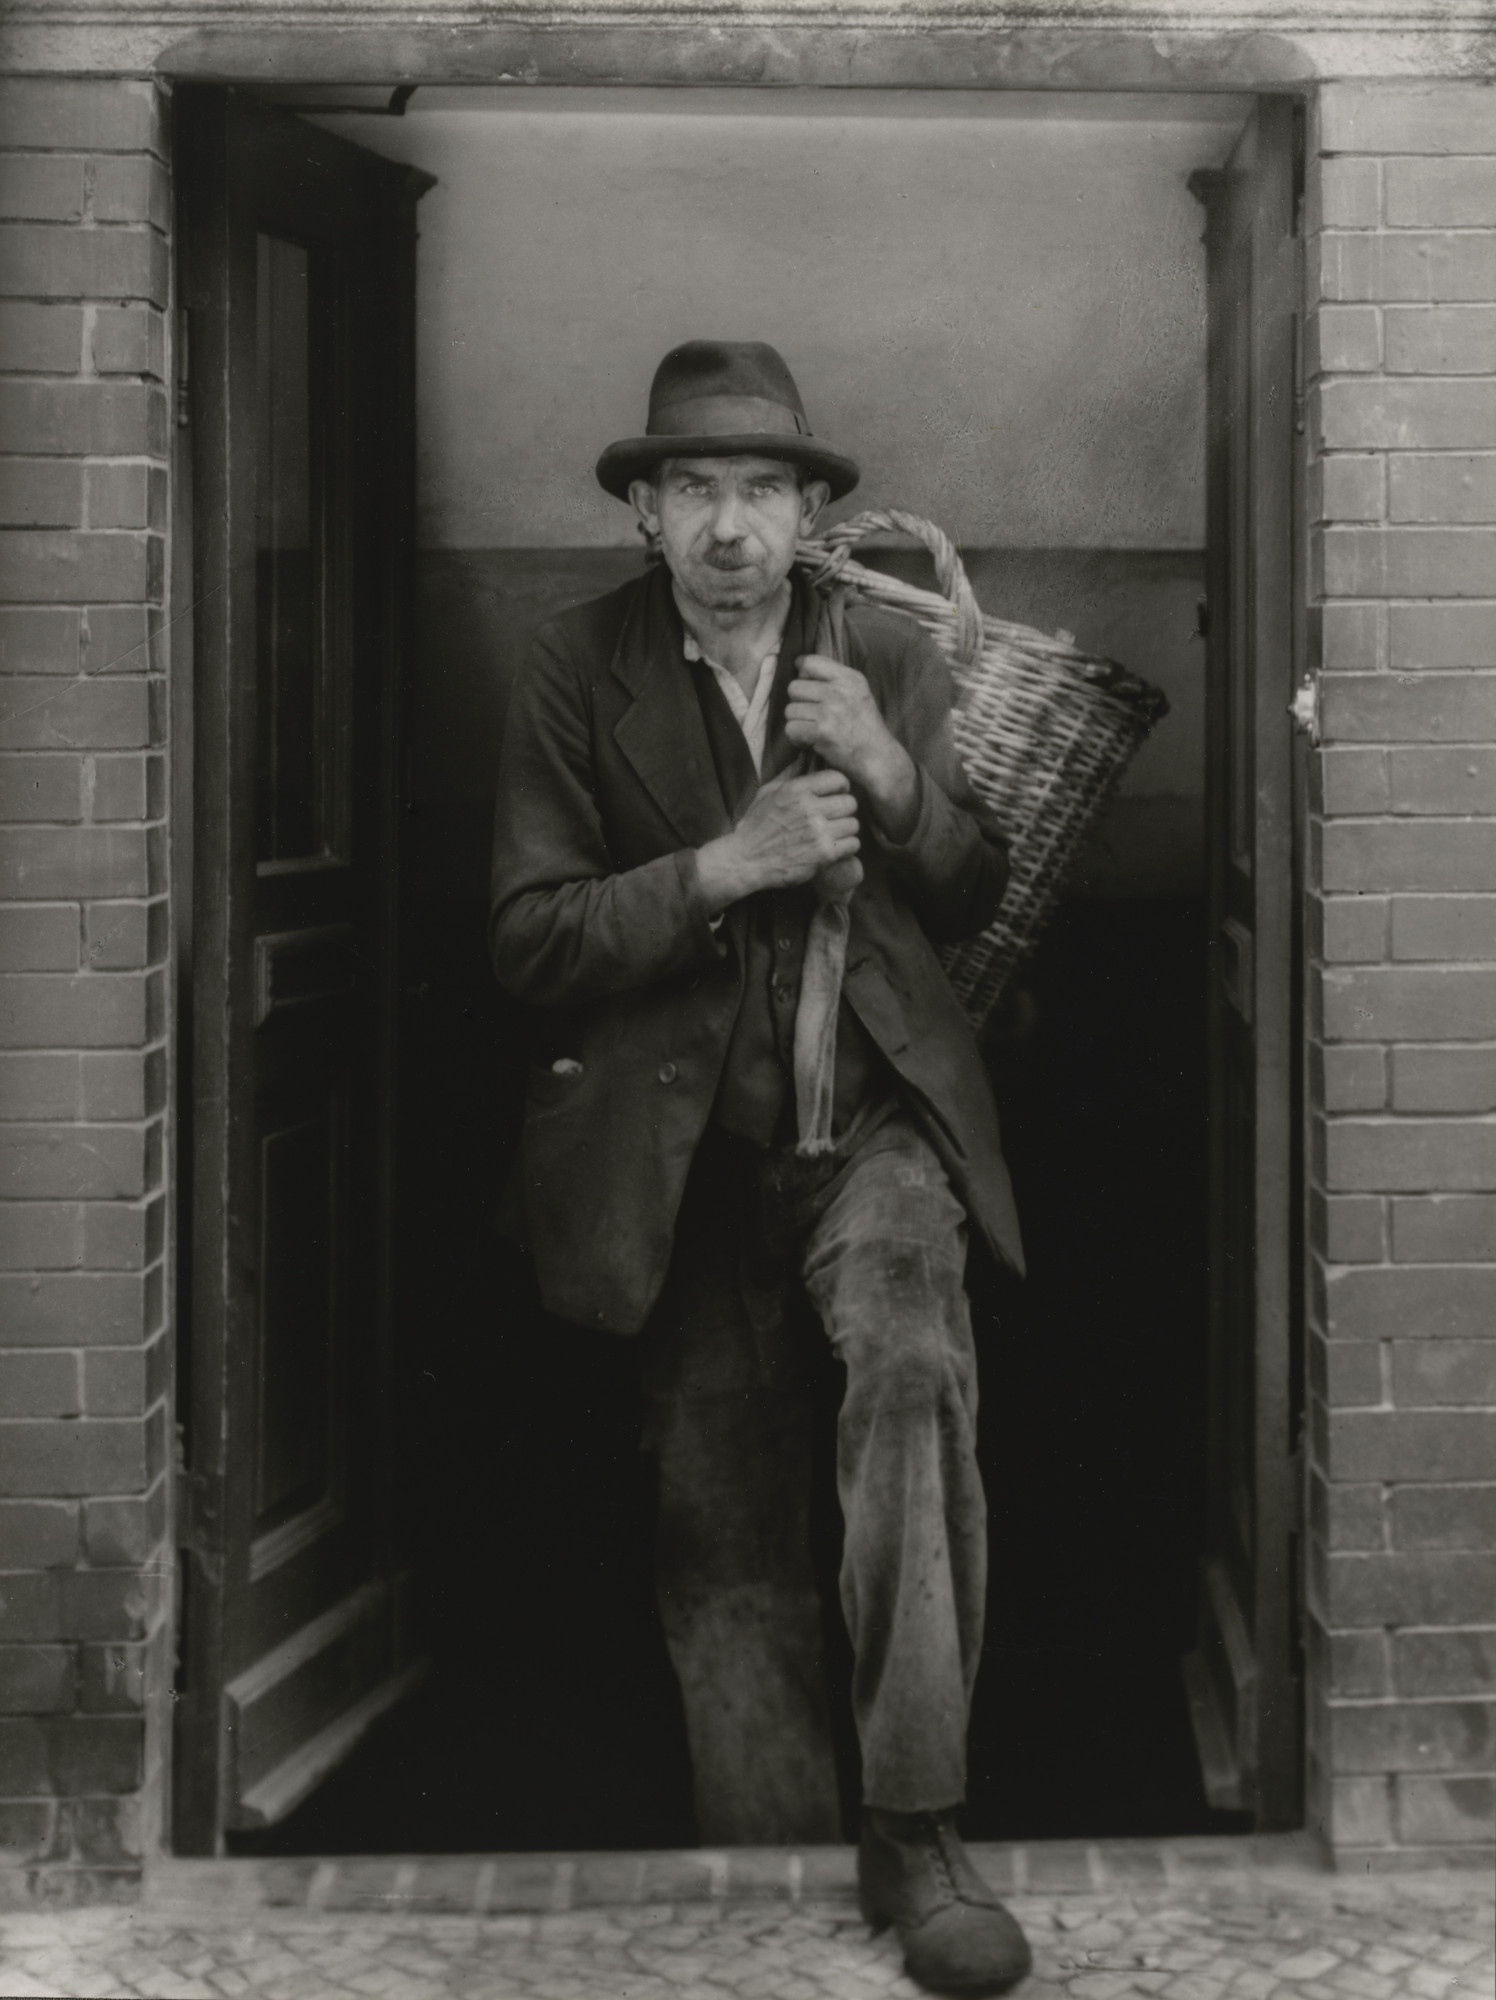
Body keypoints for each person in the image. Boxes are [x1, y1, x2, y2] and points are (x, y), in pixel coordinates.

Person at [490, 340, 1031, 1996]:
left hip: (871, 1127)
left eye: (762, 491)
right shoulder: (574, 665)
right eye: (696, 490)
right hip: (688, 1161)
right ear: (646, 514)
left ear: (809, 517)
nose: (730, 526)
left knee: (914, 1372)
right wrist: (724, 866)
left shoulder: (882, 652)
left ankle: (918, 1831)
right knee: (718, 1526)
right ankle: (775, 1863)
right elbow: (528, 937)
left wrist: (888, 770)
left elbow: (977, 888)